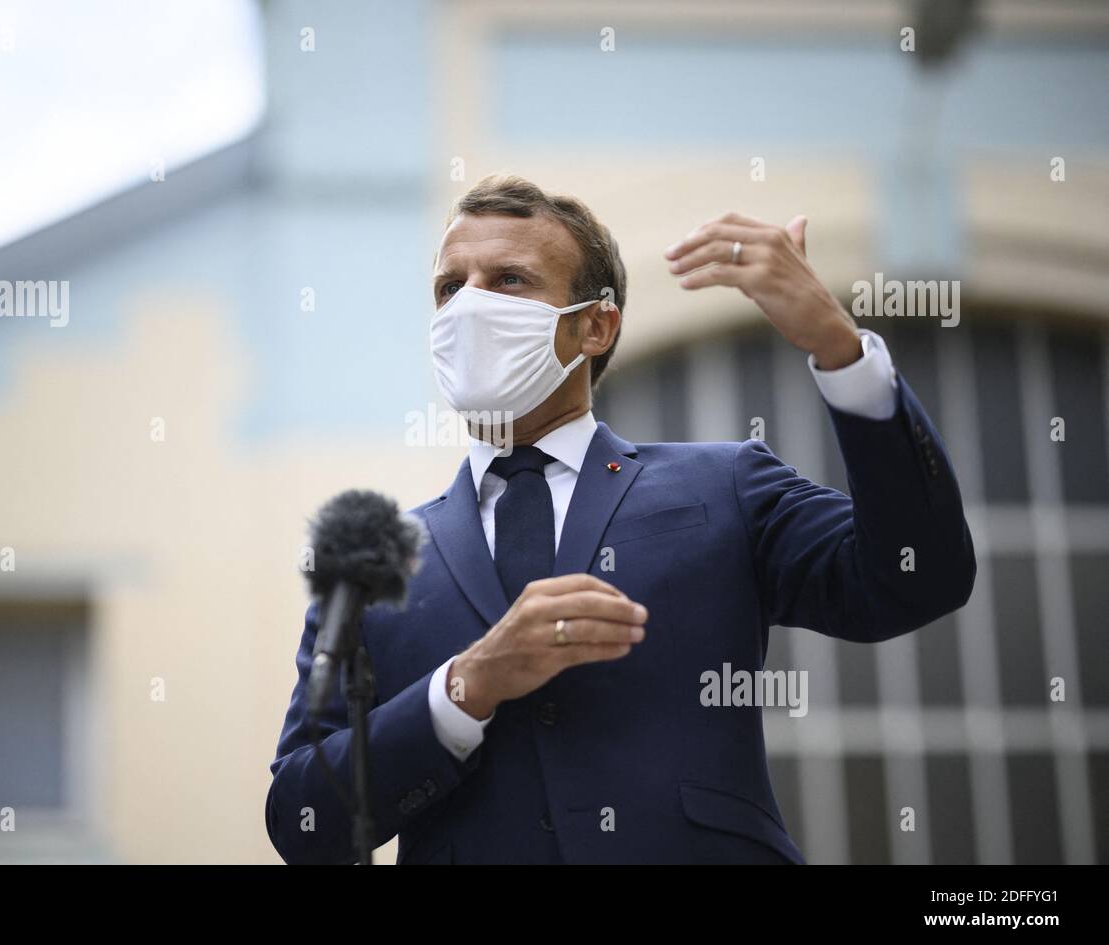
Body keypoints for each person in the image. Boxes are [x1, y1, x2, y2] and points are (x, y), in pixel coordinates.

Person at [266, 174, 975, 864]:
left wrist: (839, 350)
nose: (468, 307)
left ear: (595, 327)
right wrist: (464, 688)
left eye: (509, 280)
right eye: (451, 287)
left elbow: (919, 578)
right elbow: (303, 818)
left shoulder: (723, 482)